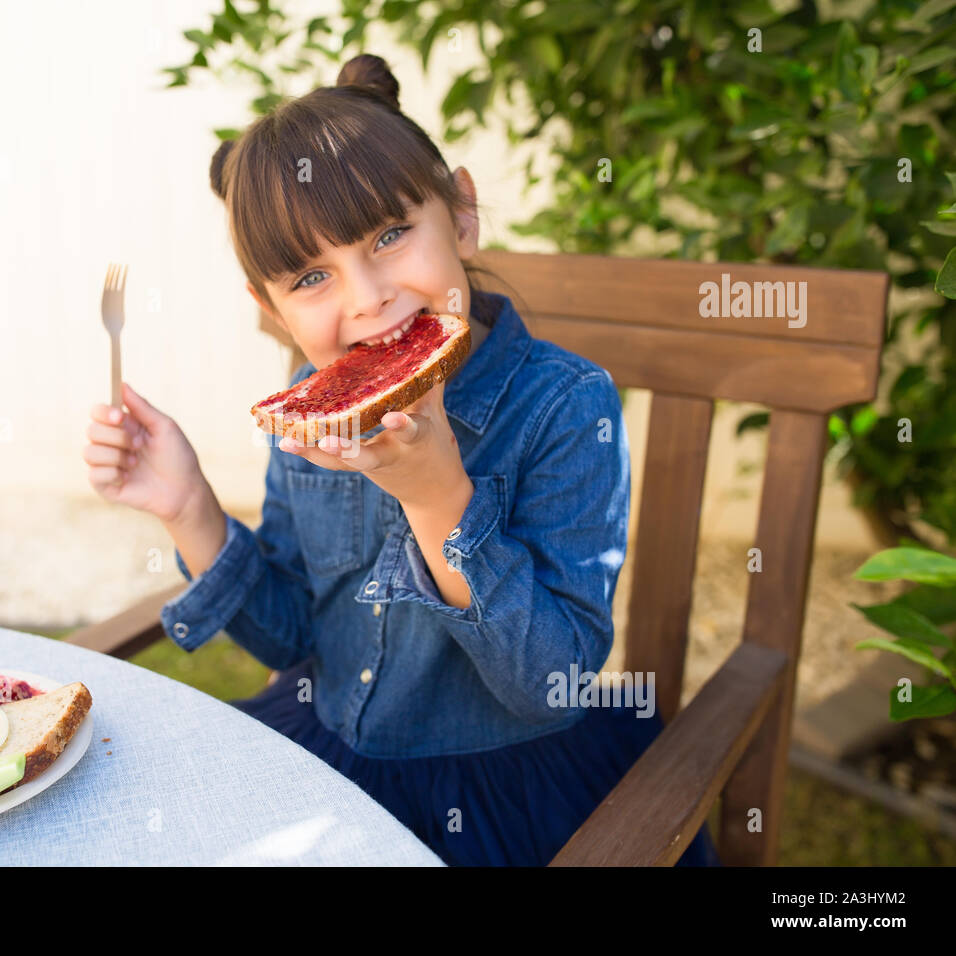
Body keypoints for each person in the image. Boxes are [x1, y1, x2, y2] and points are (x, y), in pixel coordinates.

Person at [83, 53, 721, 867]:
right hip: (336, 754)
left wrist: (438, 500)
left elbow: (548, 682)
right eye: (312, 276)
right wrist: (189, 507)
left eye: (389, 236)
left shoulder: (565, 405)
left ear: (460, 212)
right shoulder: (316, 395)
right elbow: (293, 640)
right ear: (269, 309)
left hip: (512, 789)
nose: (368, 296)